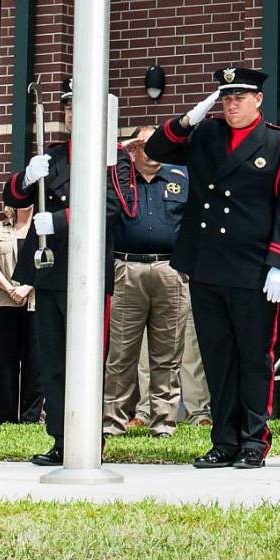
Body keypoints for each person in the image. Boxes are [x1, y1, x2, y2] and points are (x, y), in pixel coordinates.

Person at [137, 64, 280, 468]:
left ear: (258, 100)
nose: (231, 106)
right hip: (207, 261)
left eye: (239, 98)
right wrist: (189, 118)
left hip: (253, 266)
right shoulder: (207, 134)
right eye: (226, 98)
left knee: (253, 356)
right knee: (217, 356)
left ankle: (253, 438)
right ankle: (223, 440)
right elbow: (157, 150)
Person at [2, 86, 135, 467]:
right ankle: (61, 437)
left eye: (80, 107)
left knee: (88, 357)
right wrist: (27, 177)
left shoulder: (114, 159)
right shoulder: (54, 156)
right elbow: (14, 197)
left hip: (89, 271)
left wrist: (59, 221)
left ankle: (89, 438)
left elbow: (114, 206)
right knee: (54, 360)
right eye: (68, 108)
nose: (73, 114)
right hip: (51, 269)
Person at [102, 134, 189, 439]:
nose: (151, 152)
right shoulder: (120, 178)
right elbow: (98, 179)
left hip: (170, 270)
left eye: (157, 145)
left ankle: (163, 422)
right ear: (134, 148)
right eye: (144, 145)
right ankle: (113, 421)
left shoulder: (181, 177)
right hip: (127, 267)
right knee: (122, 351)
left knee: (168, 352)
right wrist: (121, 149)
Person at [0, 205, 41, 424]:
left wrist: (27, 287)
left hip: (35, 300)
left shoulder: (42, 227)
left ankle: (30, 417)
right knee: (7, 361)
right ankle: (7, 417)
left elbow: (50, 261)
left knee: (34, 361)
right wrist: (10, 289)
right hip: (3, 302)